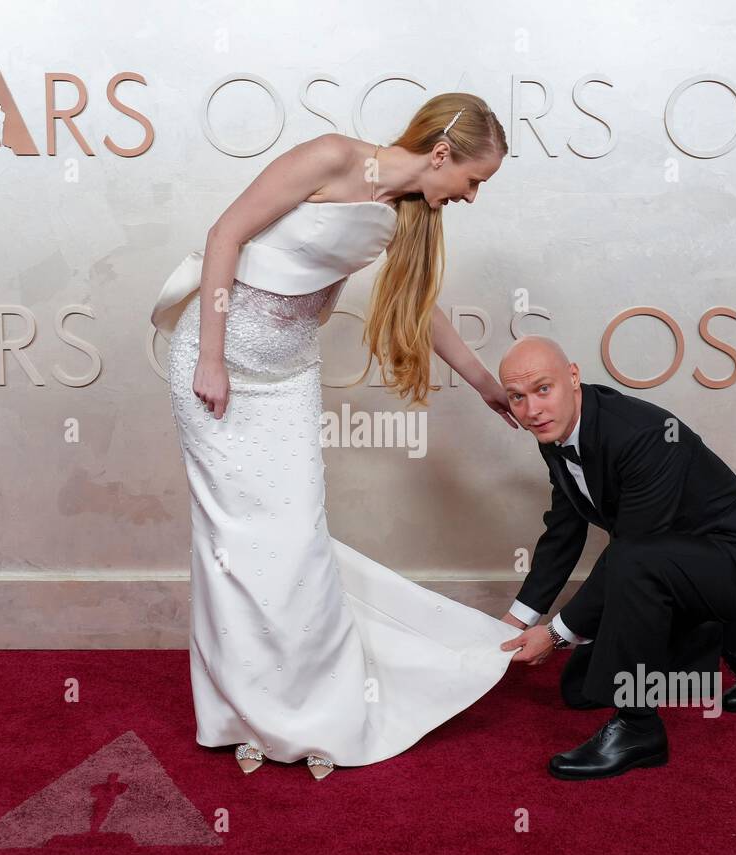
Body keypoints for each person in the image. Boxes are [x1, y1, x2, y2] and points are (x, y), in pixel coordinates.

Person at [152, 94, 518, 779]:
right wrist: (209, 356)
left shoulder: (406, 220)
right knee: (231, 543)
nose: (471, 197)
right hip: (217, 366)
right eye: (472, 181)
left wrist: (482, 382)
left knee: (296, 540)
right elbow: (226, 234)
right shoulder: (330, 157)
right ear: (442, 155)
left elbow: (420, 308)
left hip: (289, 378)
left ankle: (315, 713)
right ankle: (241, 716)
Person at [496, 335, 736, 780]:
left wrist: (556, 635)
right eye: (517, 398)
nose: (532, 409)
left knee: (633, 562)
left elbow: (631, 553)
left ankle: (639, 730)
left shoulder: (642, 433)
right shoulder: (556, 433)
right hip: (672, 567)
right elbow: (563, 530)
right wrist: (516, 620)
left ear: (573, 377)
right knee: (579, 689)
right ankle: (732, 634)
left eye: (543, 389)